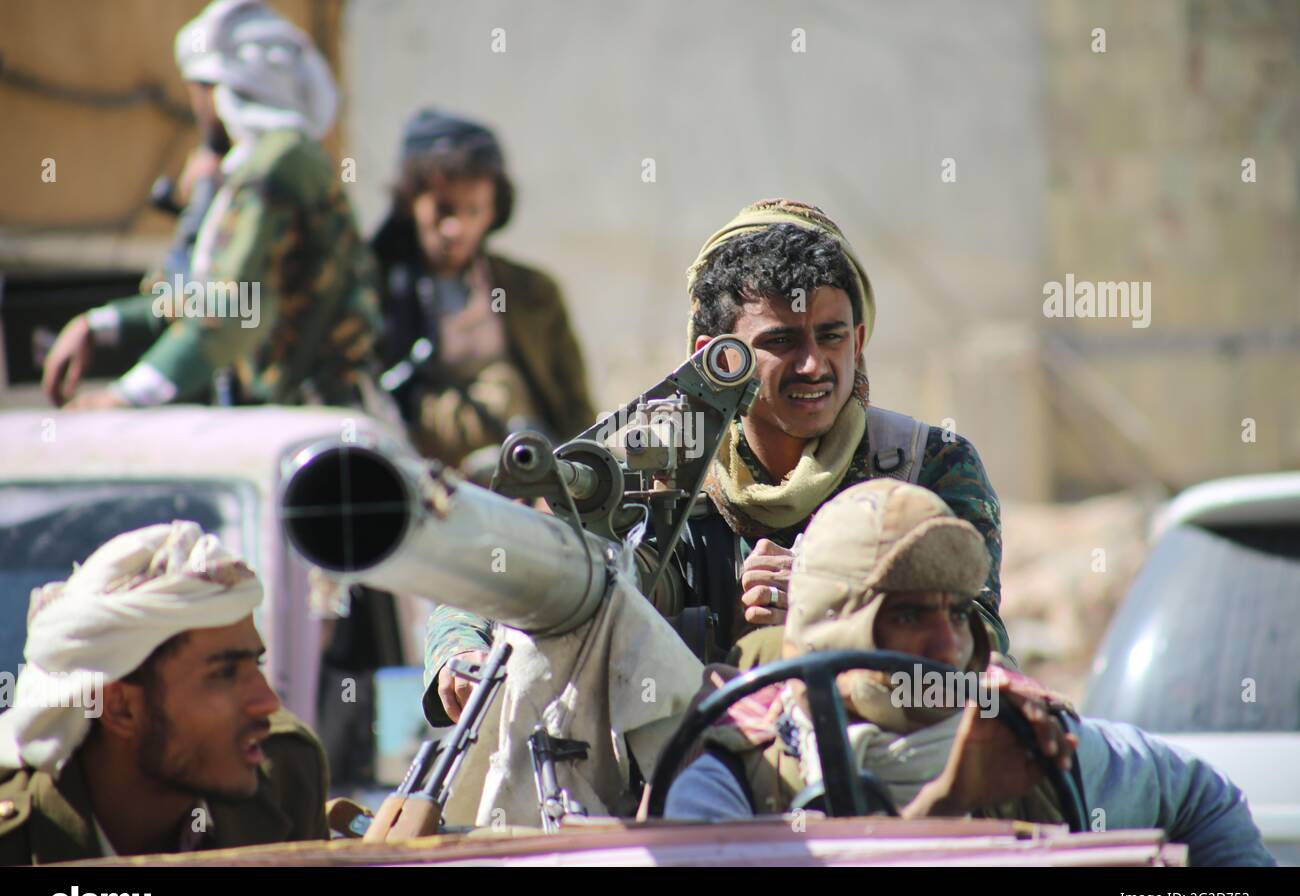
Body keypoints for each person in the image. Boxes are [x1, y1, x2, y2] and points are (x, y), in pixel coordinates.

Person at [423, 198, 1008, 724]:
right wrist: (459, 653)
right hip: (673, 774)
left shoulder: (924, 468)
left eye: (830, 337)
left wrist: (838, 602)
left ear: (858, 341)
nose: (813, 366)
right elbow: (512, 573)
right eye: (781, 342)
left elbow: (981, 646)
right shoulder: (645, 463)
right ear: (717, 358)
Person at [663, 479, 1275, 868]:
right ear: (833, 629)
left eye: (956, 611)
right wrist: (947, 804)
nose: (945, 642)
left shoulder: (1027, 749)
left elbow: (1203, 798)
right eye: (906, 613)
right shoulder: (741, 769)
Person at [41, 0, 384, 412]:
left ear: (216, 89)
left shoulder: (282, 161)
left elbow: (237, 306)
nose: (195, 109)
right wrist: (98, 326)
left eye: (196, 90)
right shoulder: (259, 164)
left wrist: (124, 399)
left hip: (318, 432)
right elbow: (203, 294)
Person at [0, 522, 329, 864]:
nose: (268, 702)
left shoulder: (283, 774)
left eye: (256, 666)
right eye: (224, 674)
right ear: (120, 708)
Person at [372, 108, 595, 477]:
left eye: (472, 211)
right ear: (411, 202)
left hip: (528, 481)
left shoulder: (534, 295)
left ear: (493, 212)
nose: (454, 228)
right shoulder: (375, 292)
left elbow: (575, 408)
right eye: (442, 210)